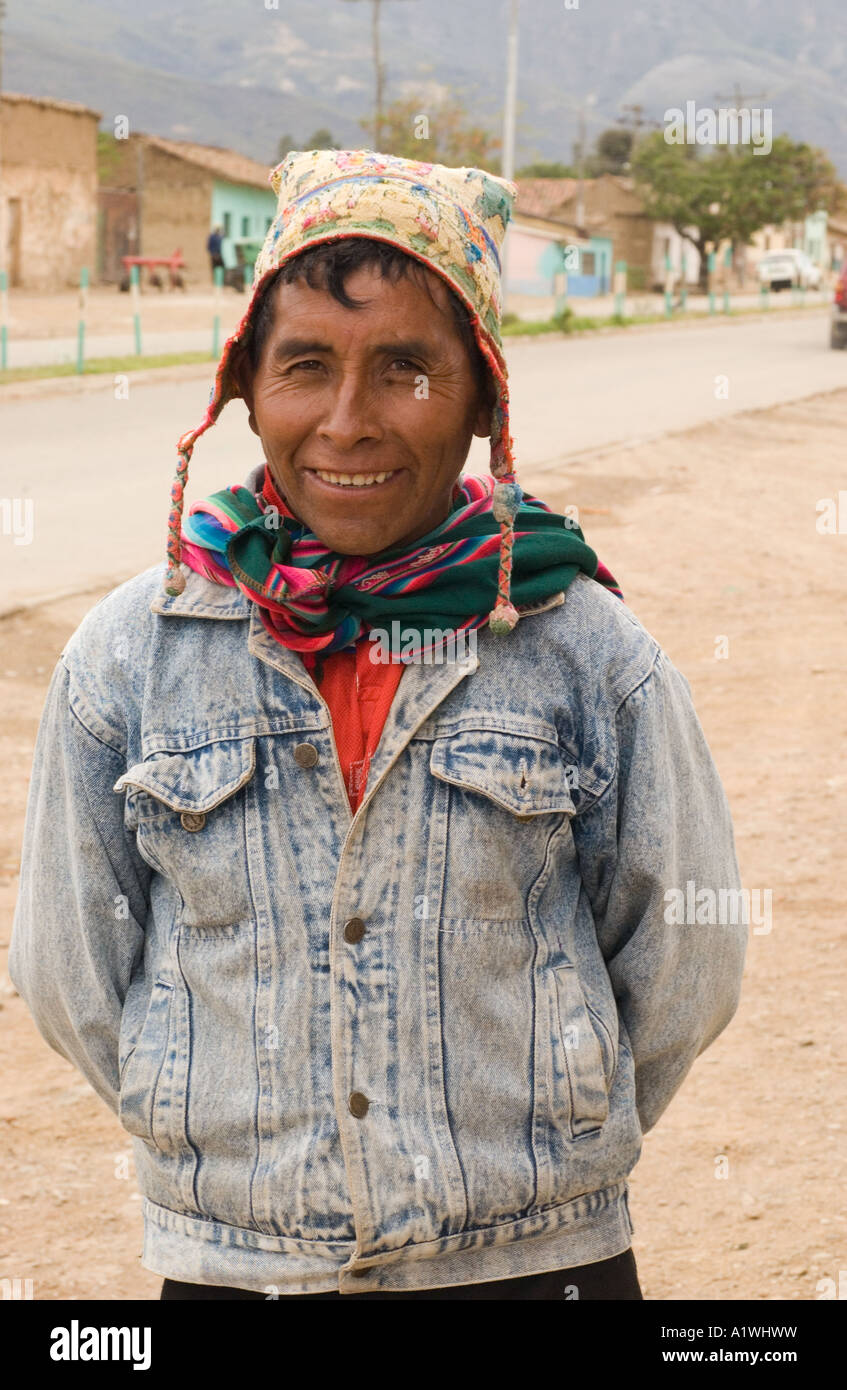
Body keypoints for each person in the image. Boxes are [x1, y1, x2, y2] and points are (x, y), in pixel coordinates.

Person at [9, 149, 747, 1301]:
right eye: (304, 366)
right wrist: (232, 1144)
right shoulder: (132, 655)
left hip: (536, 1262)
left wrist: (540, 1144)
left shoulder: (585, 653)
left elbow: (684, 965)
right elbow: (71, 971)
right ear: (245, 387)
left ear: (484, 395)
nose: (347, 423)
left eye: (406, 368)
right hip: (237, 1270)